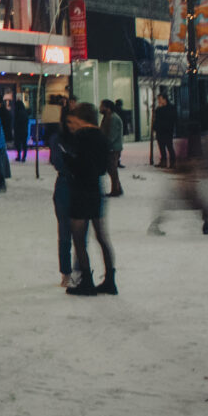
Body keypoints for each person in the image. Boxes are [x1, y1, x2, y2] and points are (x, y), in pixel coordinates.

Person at [60, 103, 118, 296]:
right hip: (96, 188)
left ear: (81, 118)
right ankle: (110, 279)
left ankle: (86, 280)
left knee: (78, 237)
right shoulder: (101, 137)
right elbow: (103, 166)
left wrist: (67, 159)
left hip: (81, 189)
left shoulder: (81, 137)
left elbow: (78, 165)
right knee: (101, 236)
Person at [45, 107, 77, 289]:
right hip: (65, 186)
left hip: (78, 186)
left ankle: (80, 269)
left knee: (80, 232)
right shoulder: (58, 139)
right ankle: (66, 272)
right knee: (65, 232)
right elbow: (58, 162)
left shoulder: (81, 138)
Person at [99, 99, 124, 197]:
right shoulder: (108, 117)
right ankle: (117, 188)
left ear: (107, 108)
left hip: (113, 148)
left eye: (102, 106)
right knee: (111, 169)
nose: (100, 108)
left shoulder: (113, 118)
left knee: (112, 169)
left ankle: (116, 189)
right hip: (111, 147)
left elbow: (112, 136)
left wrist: (105, 145)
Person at [153, 93, 178, 167]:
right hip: (160, 130)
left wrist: (160, 109)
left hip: (167, 130)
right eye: (158, 99)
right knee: (161, 146)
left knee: (169, 146)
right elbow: (157, 119)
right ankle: (163, 161)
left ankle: (172, 162)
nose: (159, 101)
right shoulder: (159, 109)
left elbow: (172, 118)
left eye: (160, 99)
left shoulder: (171, 108)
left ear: (164, 99)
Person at [13, 95, 30, 162]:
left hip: (18, 130)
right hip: (24, 130)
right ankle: (24, 156)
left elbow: (16, 122)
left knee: (18, 144)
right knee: (24, 143)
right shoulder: (25, 112)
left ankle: (19, 156)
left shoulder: (17, 113)